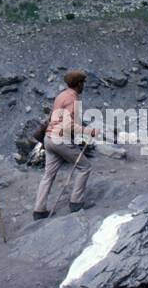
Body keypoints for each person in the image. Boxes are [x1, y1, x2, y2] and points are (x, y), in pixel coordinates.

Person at [33, 71, 99, 219]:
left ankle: (39, 210)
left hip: (49, 138)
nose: (84, 86)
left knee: (48, 175)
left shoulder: (61, 95)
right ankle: (76, 203)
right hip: (60, 139)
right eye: (83, 83)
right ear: (79, 84)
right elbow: (68, 125)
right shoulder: (72, 100)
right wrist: (89, 131)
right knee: (85, 167)